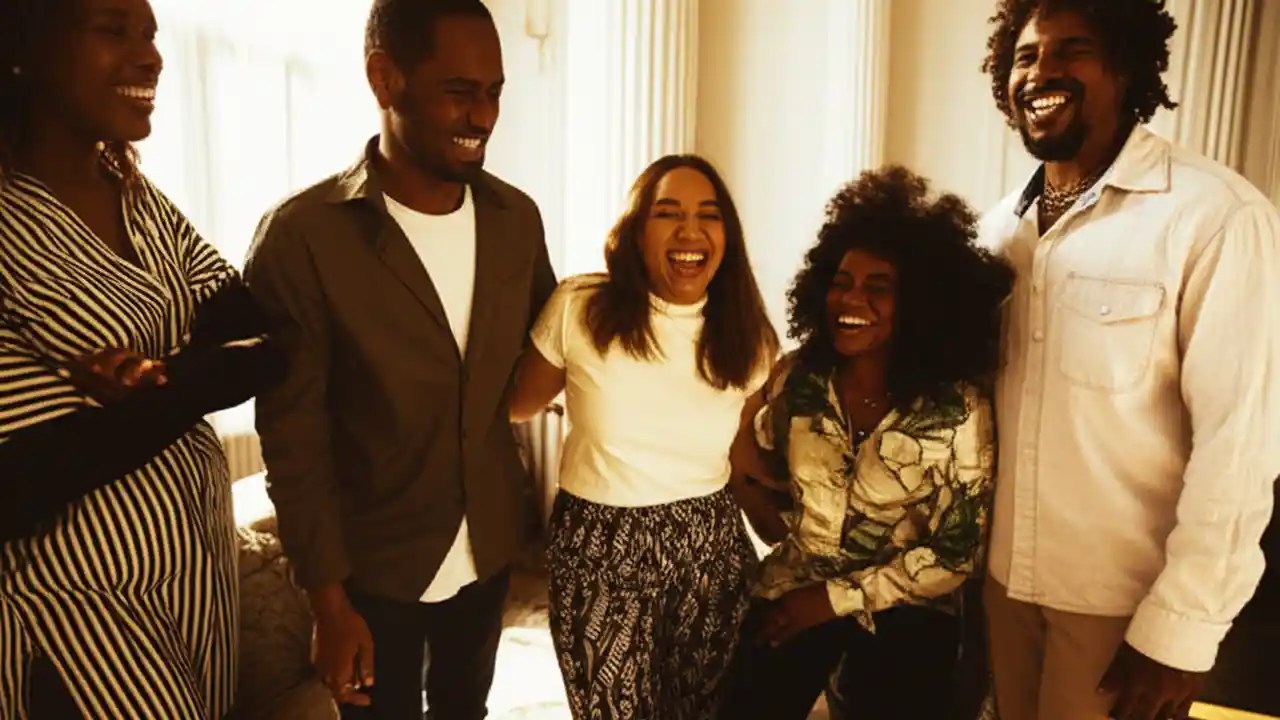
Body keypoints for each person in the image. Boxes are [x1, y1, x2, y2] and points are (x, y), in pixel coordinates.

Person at [242, 0, 556, 717]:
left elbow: (547, 350)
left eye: (494, 92)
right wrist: (328, 605)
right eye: (459, 91)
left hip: (489, 546)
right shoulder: (303, 238)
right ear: (385, 79)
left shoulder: (517, 220)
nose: (483, 116)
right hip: (370, 572)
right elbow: (293, 438)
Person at [978, 1, 1280, 719]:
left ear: (1126, 68)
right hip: (1003, 591)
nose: (1041, 72)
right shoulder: (998, 232)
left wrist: (1180, 630)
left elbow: (1239, 442)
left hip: (1122, 609)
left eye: (1072, 50)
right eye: (1025, 56)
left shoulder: (1215, 216)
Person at [0, 0, 284, 716]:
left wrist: (158, 384)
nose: (150, 55)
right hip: (73, 606)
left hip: (194, 581)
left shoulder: (139, 198)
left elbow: (264, 340)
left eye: (151, 34)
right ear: (25, 48)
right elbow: (24, 476)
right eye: (112, 30)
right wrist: (194, 380)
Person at [718, 166, 1013, 720]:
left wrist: (831, 602)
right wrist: (750, 485)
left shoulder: (958, 411)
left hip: (906, 605)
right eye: (842, 282)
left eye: (879, 288)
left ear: (921, 305)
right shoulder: (798, 381)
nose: (850, 299)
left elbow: (955, 555)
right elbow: (762, 482)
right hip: (797, 585)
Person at [510, 154, 778, 719]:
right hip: (600, 545)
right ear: (636, 232)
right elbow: (514, 405)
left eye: (708, 215)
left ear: (727, 237)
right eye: (668, 213)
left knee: (703, 711)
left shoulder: (749, 335)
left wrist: (790, 531)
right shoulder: (580, 308)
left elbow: (738, 449)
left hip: (709, 545)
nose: (689, 231)